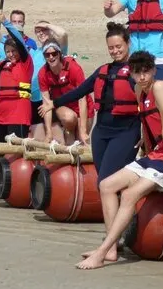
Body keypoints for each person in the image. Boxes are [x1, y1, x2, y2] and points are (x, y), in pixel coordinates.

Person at [76, 51, 163, 269]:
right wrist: (146, 152)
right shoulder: (139, 90)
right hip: (156, 154)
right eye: (137, 74)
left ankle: (101, 252)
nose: (142, 78)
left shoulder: (160, 87)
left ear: (154, 70)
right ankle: (111, 249)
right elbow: (146, 125)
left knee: (129, 195)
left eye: (146, 72)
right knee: (106, 185)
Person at [51, 23, 141, 186]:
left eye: (119, 46)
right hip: (101, 133)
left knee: (105, 181)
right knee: (104, 181)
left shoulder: (137, 72)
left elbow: (149, 104)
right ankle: (120, 211)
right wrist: (54, 103)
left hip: (126, 133)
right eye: (111, 48)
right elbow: (80, 91)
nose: (115, 51)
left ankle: (125, 210)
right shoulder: (103, 70)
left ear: (128, 44)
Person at [0, 15, 33, 147]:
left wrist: (5, 22)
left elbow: (19, 41)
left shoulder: (25, 63)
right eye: (8, 52)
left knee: (17, 147)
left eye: (14, 51)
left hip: (19, 111)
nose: (11, 54)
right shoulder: (2, 64)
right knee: (2, 147)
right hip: (2, 112)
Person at [37, 41, 88, 144]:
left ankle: (77, 133)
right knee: (69, 122)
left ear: (60, 53)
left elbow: (83, 99)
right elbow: (46, 104)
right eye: (47, 55)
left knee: (83, 141)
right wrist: (48, 133)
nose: (51, 57)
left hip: (82, 106)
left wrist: (83, 130)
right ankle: (67, 132)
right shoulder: (42, 73)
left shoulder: (74, 68)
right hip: (64, 108)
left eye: (54, 53)